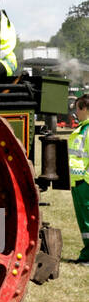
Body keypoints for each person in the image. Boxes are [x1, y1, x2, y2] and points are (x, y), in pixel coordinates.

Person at [68, 95, 89, 264]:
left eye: (77, 108)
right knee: (84, 222)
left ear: (85, 109)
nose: (76, 112)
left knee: (88, 221)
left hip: (85, 182)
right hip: (78, 181)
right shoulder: (82, 129)